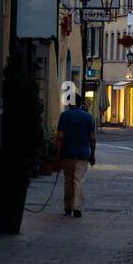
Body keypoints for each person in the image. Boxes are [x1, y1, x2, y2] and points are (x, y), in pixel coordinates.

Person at [55, 90, 96, 218]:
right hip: (83, 154)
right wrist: (92, 154)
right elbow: (92, 138)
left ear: (69, 103)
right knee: (78, 180)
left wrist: (57, 155)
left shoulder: (64, 116)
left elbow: (60, 137)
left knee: (68, 181)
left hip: (67, 153)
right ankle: (77, 207)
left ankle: (68, 207)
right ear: (80, 103)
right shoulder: (88, 117)